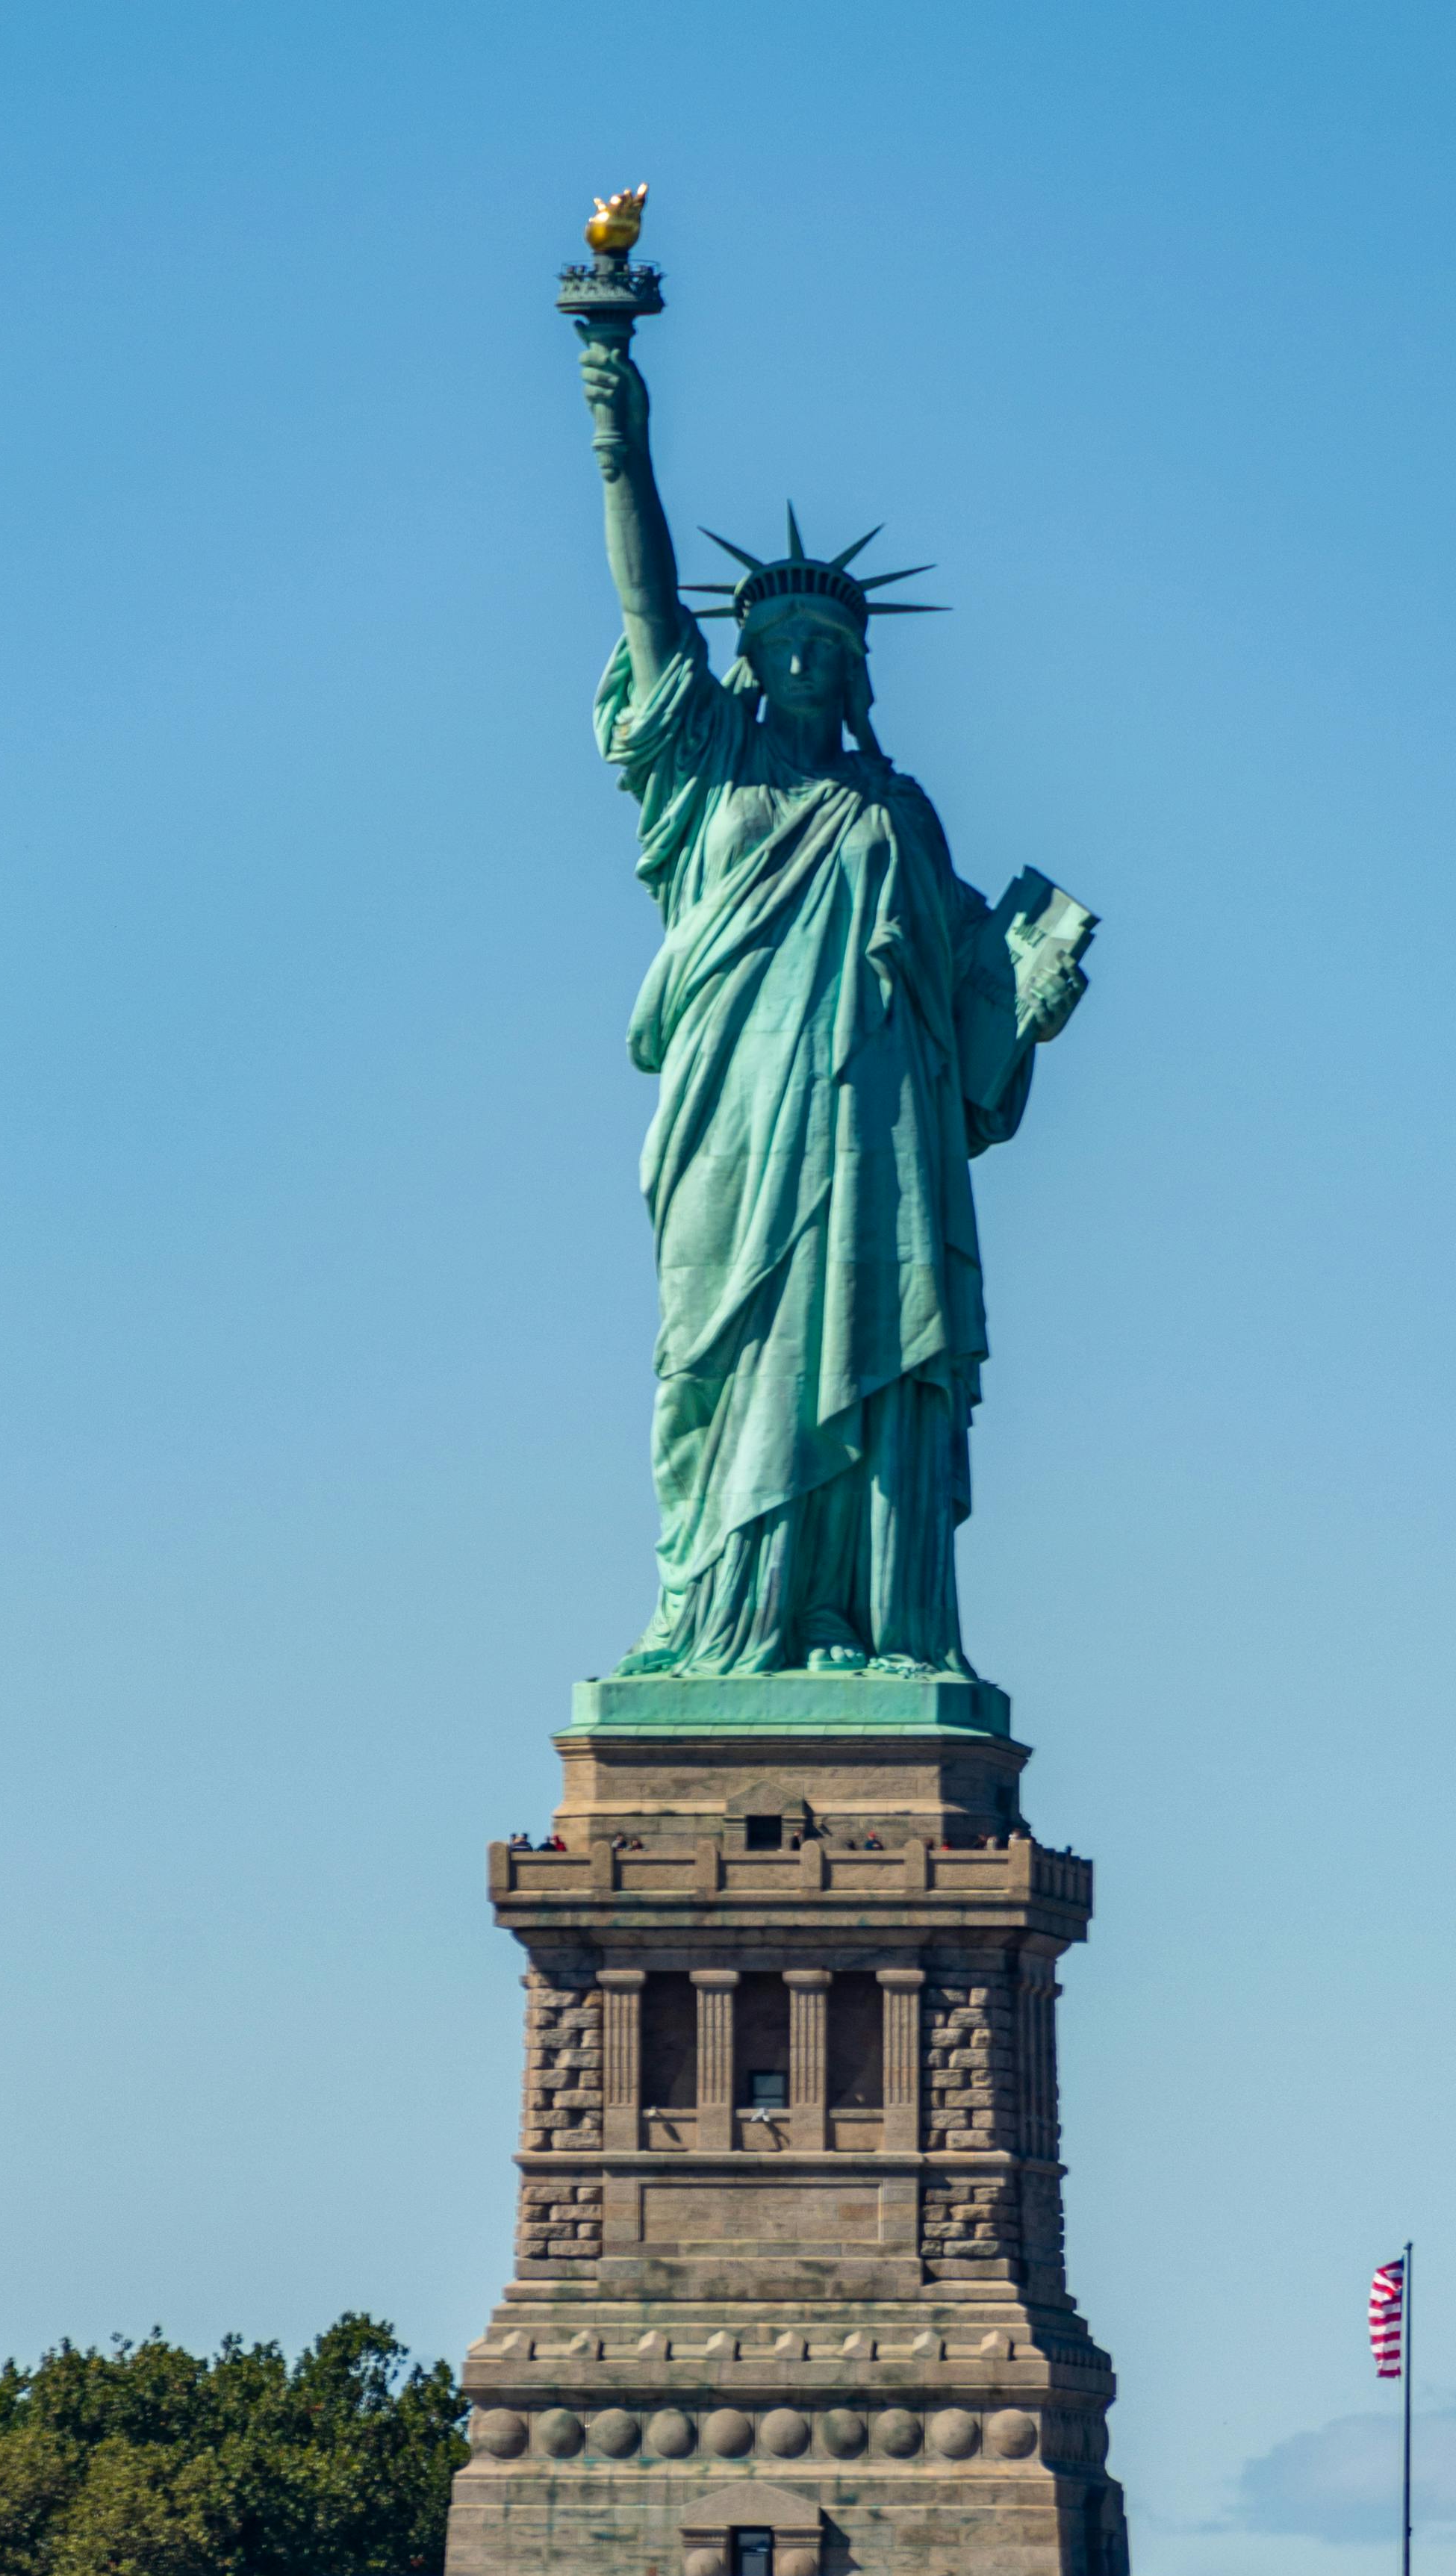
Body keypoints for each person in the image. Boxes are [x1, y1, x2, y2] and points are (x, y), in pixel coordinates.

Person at [569, 305, 1092, 1685]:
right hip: (738, 1122)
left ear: (858, 668)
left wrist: (1026, 998)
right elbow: (647, 604)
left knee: (871, 1348)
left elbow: (968, 1003)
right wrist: (616, 418)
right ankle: (721, 1624)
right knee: (722, 1358)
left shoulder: (897, 813)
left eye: (826, 638)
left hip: (877, 1134)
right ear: (745, 658)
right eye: (780, 633)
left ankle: (867, 1622)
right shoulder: (707, 773)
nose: (804, 653)